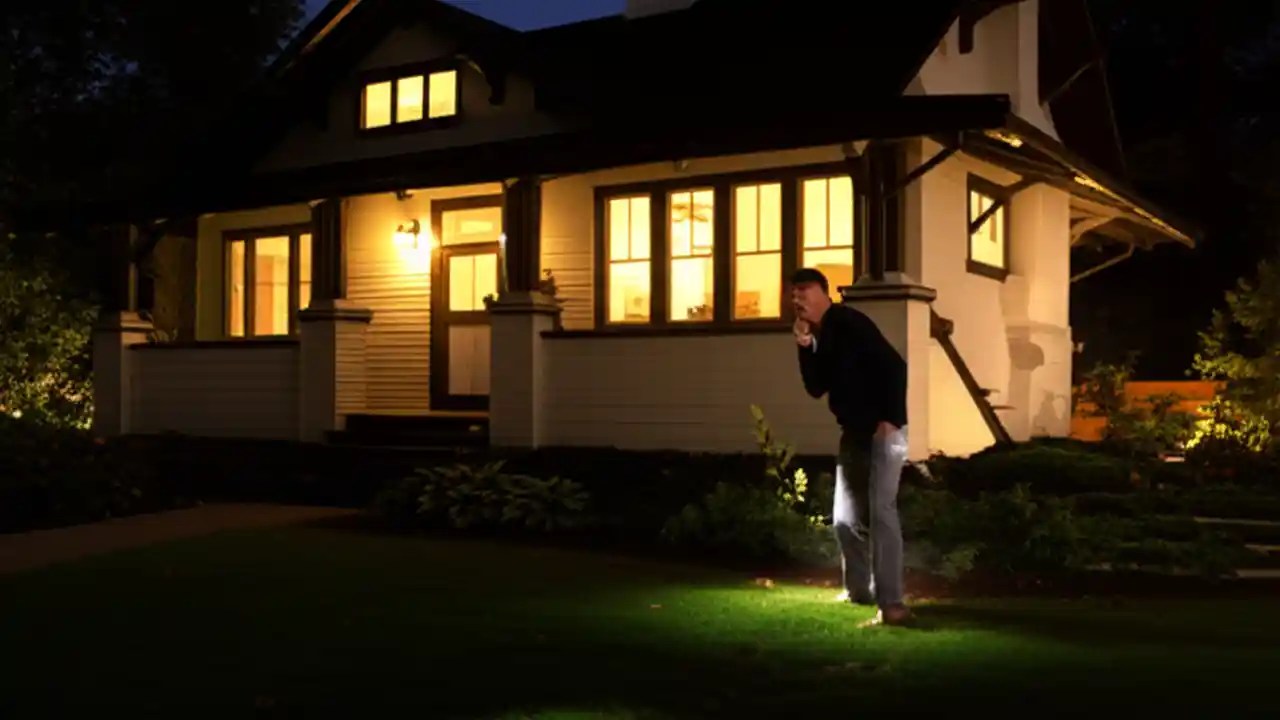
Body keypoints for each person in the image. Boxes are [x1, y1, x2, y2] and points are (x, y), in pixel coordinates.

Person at [791, 267, 912, 626]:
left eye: (804, 291)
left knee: (881, 513)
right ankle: (859, 590)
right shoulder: (821, 334)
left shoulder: (850, 322)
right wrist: (804, 347)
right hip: (853, 433)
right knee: (845, 519)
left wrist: (890, 418)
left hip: (883, 431)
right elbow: (816, 387)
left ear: (823, 293)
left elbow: (895, 366)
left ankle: (892, 605)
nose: (797, 299)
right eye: (793, 293)